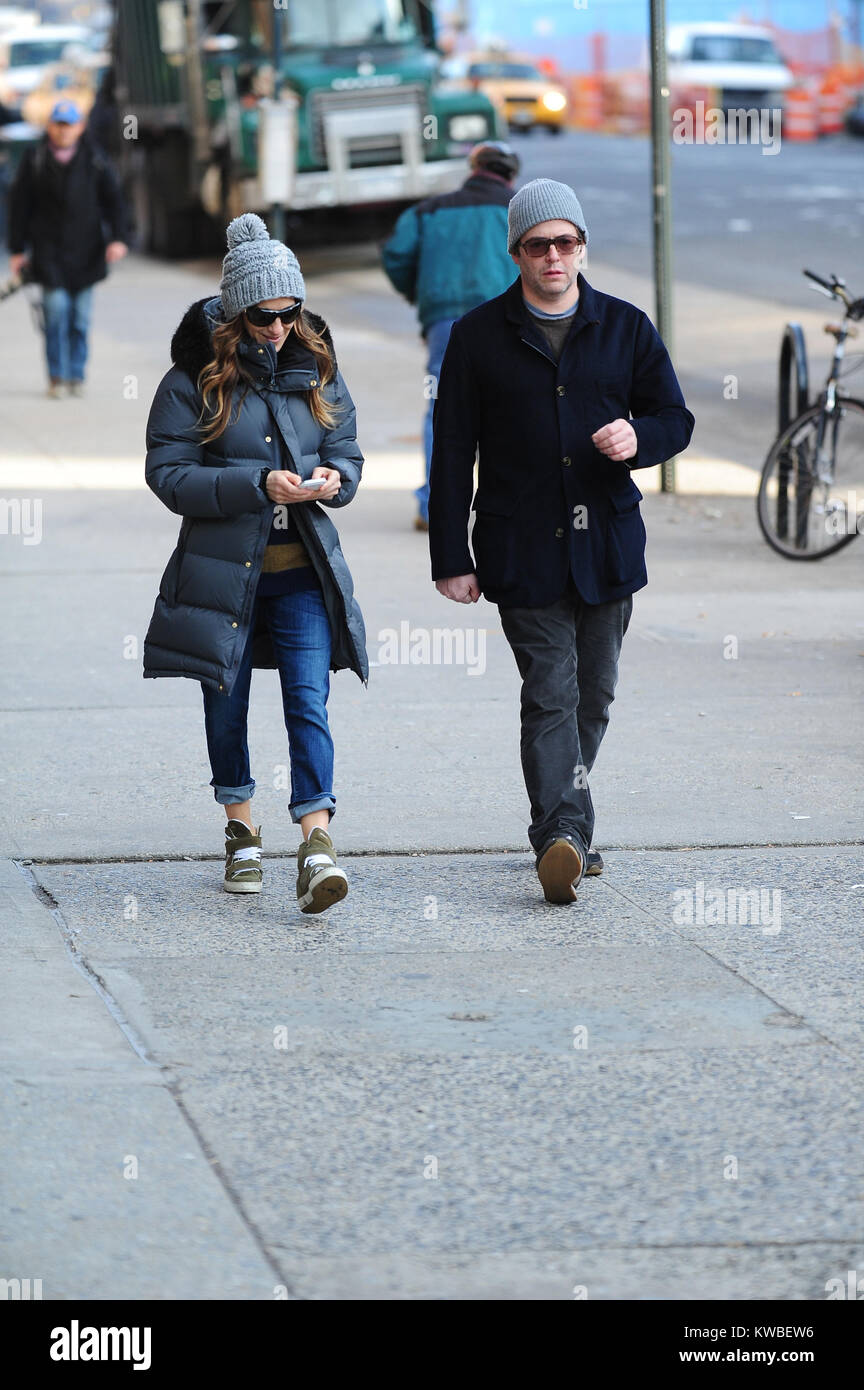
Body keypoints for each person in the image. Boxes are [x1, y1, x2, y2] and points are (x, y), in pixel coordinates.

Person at [429, 178, 694, 905]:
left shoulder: (625, 326)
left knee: (594, 698)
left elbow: (675, 416)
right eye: (538, 244)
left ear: (582, 247)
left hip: (606, 546)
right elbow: (452, 451)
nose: (554, 256)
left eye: (566, 242)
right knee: (550, 693)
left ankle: (563, 825)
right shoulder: (478, 336)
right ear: (516, 252)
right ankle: (563, 837)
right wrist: (451, 557)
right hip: (522, 549)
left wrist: (640, 437)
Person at [143, 213, 368, 915]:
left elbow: (349, 451)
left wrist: (335, 479)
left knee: (309, 702)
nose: (278, 328)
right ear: (237, 312)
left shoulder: (316, 366)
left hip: (302, 569)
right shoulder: (193, 379)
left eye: (289, 313)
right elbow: (168, 473)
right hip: (222, 574)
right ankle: (241, 830)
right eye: (265, 316)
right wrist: (254, 483)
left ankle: (317, 844)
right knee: (226, 704)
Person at [381, 140, 520, 531]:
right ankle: (506, 505)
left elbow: (396, 255)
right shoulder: (516, 210)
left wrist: (422, 298)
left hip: (444, 325)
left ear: (473, 169)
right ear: (510, 174)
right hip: (503, 323)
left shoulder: (429, 211)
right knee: (507, 408)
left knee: (441, 407)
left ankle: (432, 507)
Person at [7, 98, 129, 398]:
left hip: (87, 252)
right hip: (48, 253)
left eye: (69, 125)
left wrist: (118, 239)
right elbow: (19, 206)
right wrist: (17, 249)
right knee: (56, 312)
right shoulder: (34, 160)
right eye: (59, 125)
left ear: (80, 127)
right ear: (50, 126)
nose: (63, 131)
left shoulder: (95, 160)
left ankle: (76, 374)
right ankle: (56, 376)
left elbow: (114, 202)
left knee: (80, 317)